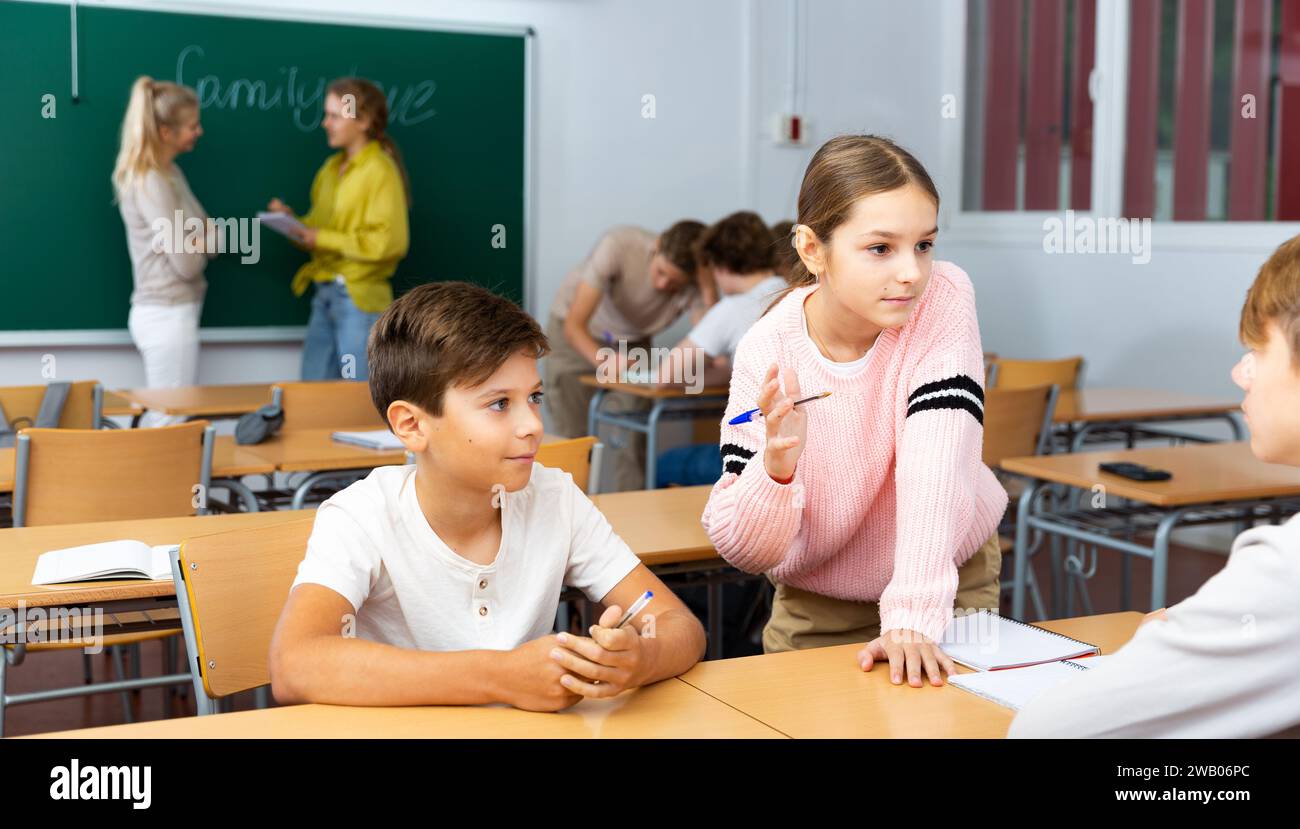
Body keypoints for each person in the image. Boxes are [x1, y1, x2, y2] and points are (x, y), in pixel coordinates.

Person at [270, 281, 707, 711]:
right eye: (499, 403)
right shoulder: (361, 515)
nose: (533, 425)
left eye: (534, 397)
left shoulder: (555, 498)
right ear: (412, 425)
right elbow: (294, 665)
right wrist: (501, 676)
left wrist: (637, 659)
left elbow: (680, 626)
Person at [702, 135, 1007, 689]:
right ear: (812, 249)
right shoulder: (766, 349)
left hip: (943, 584)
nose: (912, 271)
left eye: (924, 245)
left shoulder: (944, 297)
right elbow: (743, 549)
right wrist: (775, 468)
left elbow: (934, 467)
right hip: (821, 600)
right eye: (880, 248)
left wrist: (913, 620)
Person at [1009, 235, 1300, 738]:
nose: (1239, 372)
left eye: (1257, 348)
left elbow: (1043, 731)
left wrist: (1162, 650)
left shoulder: (1285, 570)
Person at [267, 77, 410, 381]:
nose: (325, 123)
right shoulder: (330, 169)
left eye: (334, 115)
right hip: (326, 293)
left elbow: (390, 242)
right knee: (312, 393)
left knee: (357, 398)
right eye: (326, 115)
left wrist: (319, 237)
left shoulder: (380, 170)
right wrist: (294, 225)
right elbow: (320, 233)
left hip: (359, 299)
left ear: (364, 121)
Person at [113, 76, 212, 426]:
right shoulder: (151, 181)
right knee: (169, 419)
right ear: (166, 132)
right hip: (165, 314)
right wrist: (205, 243)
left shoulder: (171, 174)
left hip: (174, 311)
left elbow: (203, 233)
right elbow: (186, 263)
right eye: (191, 126)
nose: (198, 131)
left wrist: (202, 240)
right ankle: (149, 482)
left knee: (168, 415)